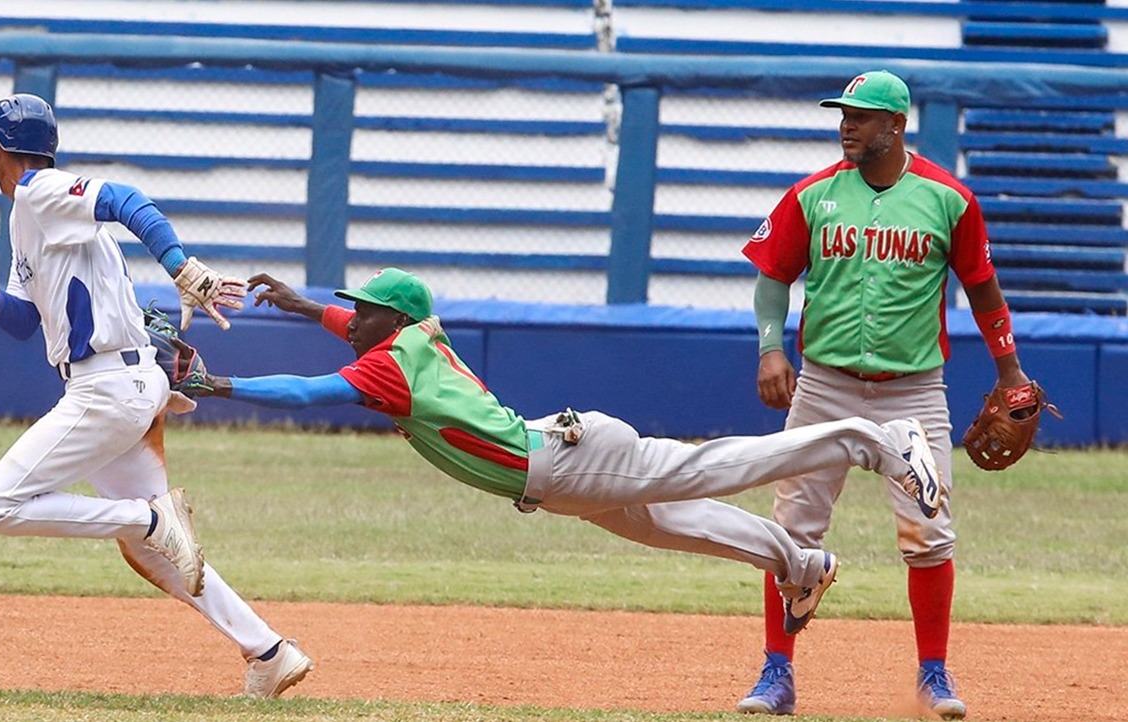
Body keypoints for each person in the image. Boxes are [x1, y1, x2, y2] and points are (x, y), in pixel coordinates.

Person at [184, 267, 943, 643]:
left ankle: (875, 440)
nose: (351, 321)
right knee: (677, 525)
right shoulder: (415, 336)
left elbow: (310, 393)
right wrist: (306, 305)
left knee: (709, 469)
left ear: (394, 320)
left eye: (363, 312)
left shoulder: (388, 363)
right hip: (562, 468)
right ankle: (802, 566)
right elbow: (361, 324)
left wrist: (218, 382)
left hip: (567, 462)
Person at [0, 93, 312, 698]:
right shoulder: (34, 217)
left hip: (106, 388)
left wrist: (180, 266)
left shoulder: (37, 192)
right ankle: (268, 650)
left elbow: (126, 199)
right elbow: (22, 322)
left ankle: (149, 517)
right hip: (124, 385)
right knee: (156, 553)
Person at [735, 70, 1034, 720]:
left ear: (896, 126)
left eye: (861, 117)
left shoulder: (947, 199)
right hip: (824, 385)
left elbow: (982, 287)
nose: (847, 126)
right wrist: (768, 346)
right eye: (843, 115)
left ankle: (933, 677)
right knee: (791, 532)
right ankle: (776, 674)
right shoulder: (813, 195)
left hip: (914, 393)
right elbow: (772, 276)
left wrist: (1010, 371)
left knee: (929, 531)